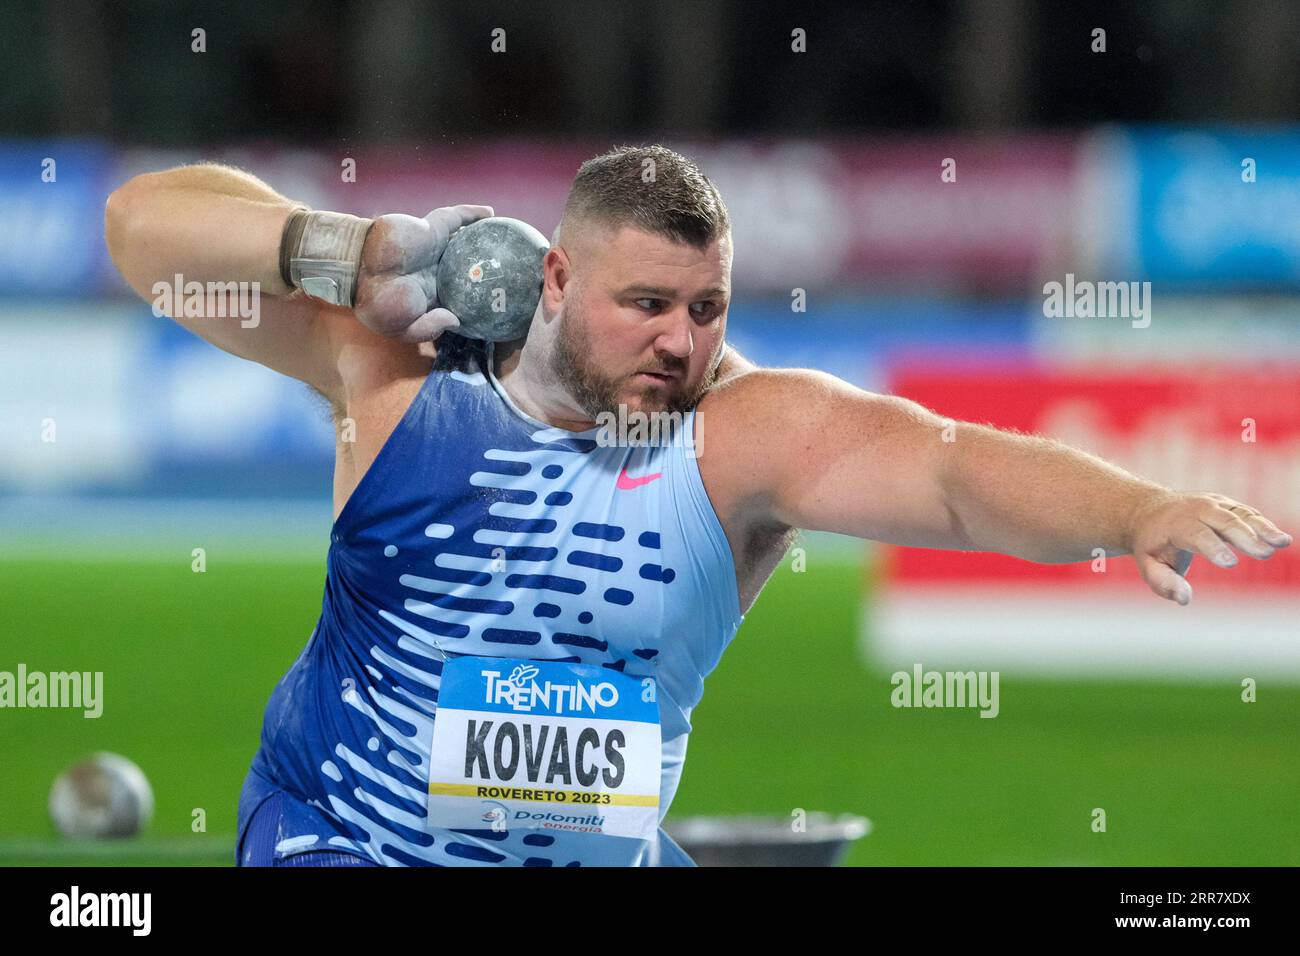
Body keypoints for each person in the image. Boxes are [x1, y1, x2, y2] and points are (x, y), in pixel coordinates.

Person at [104, 144, 1291, 867]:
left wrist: (1133, 509)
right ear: (556, 279)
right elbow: (140, 227)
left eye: (710, 305)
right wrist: (350, 248)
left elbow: (949, 470)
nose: (682, 339)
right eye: (647, 302)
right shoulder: (400, 370)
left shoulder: (744, 433)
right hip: (344, 839)